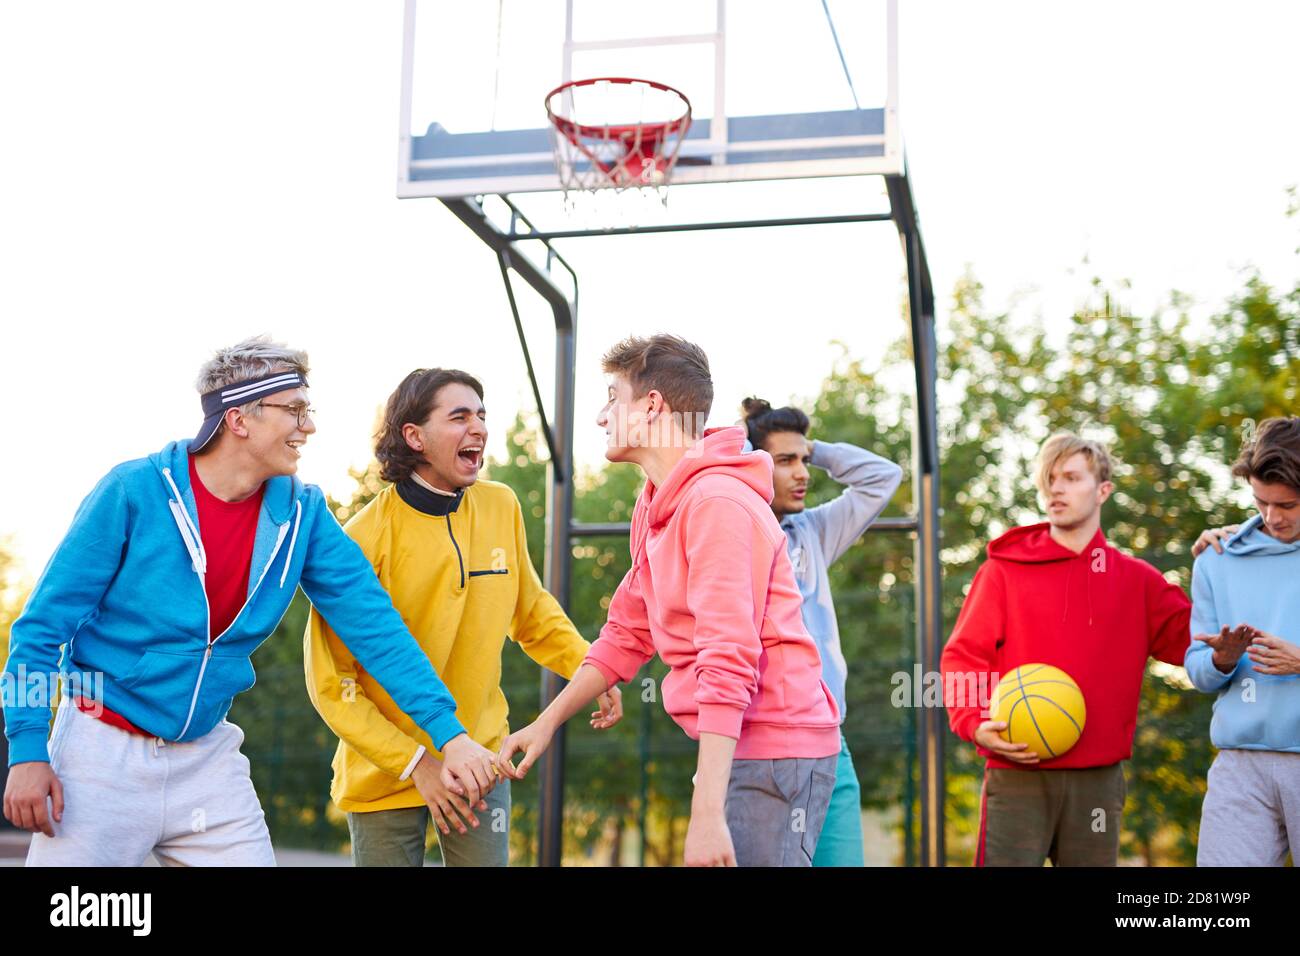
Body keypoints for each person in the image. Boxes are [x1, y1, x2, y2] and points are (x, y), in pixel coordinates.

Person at [1, 336, 497, 866]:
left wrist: (451, 735)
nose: (308, 426)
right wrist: (28, 749)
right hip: (102, 752)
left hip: (206, 757)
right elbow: (40, 629)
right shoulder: (132, 492)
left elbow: (378, 631)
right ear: (239, 419)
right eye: (295, 411)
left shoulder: (304, 516)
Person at [496, 335, 841, 867]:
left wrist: (706, 814)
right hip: (734, 742)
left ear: (652, 405)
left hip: (777, 743)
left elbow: (727, 656)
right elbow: (627, 633)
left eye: (613, 397)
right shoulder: (657, 503)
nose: (601, 415)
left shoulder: (717, 503)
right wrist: (545, 723)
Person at [304, 368, 621, 867]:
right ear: (414, 436)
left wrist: (590, 665)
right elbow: (332, 685)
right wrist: (418, 763)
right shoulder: (361, 539)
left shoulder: (501, 505)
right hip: (387, 772)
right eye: (459, 417)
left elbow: (532, 612)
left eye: (481, 415)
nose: (478, 427)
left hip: (480, 761)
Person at [941, 432, 1191, 866]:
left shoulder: (1137, 581)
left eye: (1072, 478)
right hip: (1018, 771)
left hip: (1097, 780)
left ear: (1103, 491)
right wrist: (973, 721)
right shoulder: (1002, 572)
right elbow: (964, 656)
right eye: (1050, 478)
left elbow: (1198, 644)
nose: (1056, 488)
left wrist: (1220, 557)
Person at [740, 398, 902, 867]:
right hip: (757, 747)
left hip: (829, 743)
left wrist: (819, 449)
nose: (802, 473)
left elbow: (883, 477)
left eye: (804, 460)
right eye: (785, 461)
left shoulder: (812, 531)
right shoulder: (730, 534)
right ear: (753, 466)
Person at [1184, 416, 1300, 866]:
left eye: (1287, 505)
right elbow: (1197, 670)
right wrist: (1221, 661)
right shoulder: (1217, 559)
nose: (1272, 517)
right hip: (1241, 765)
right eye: (1260, 501)